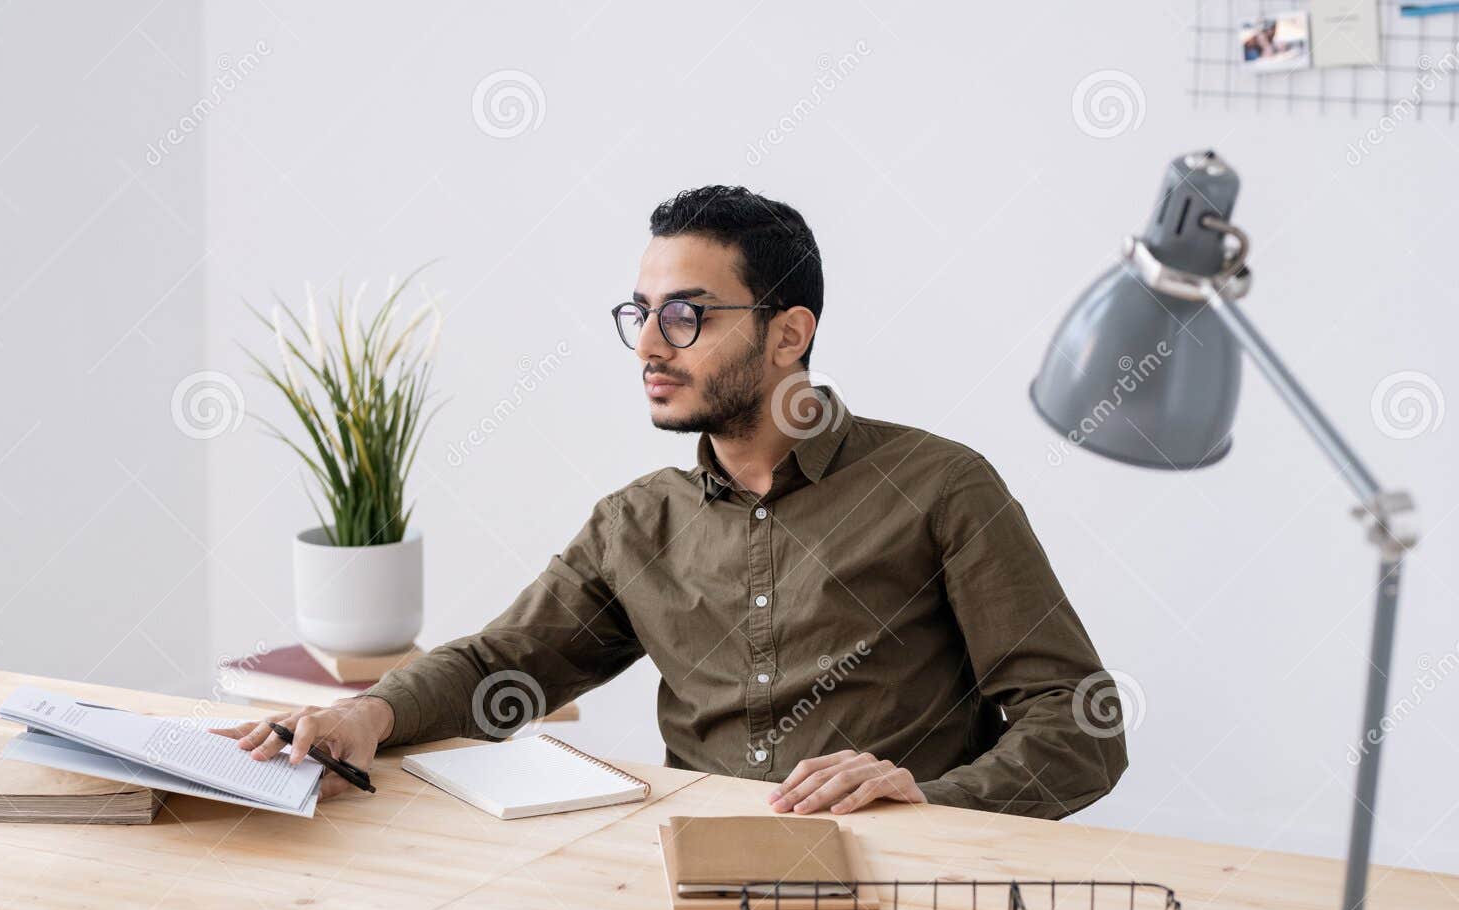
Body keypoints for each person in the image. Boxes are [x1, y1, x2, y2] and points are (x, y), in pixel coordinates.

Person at [215, 185, 1127, 817]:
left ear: (788, 334)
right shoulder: (637, 522)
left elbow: (1079, 723)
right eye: (639, 312)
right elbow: (506, 662)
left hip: (901, 879)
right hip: (692, 879)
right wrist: (364, 715)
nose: (649, 343)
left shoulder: (939, 487)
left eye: (686, 314)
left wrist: (928, 798)